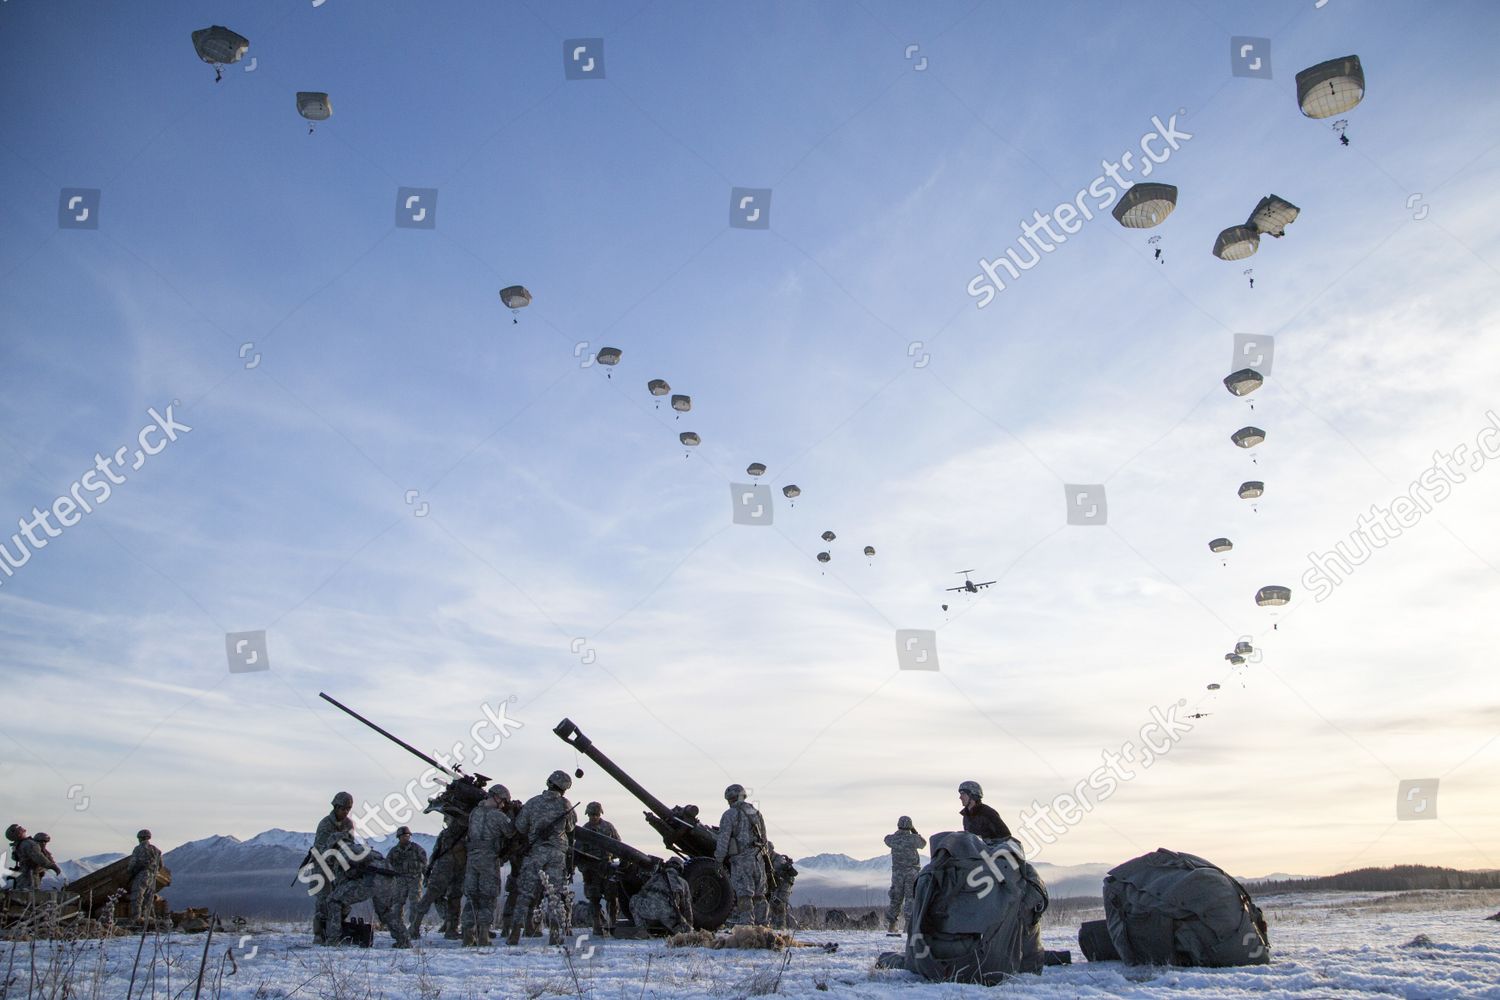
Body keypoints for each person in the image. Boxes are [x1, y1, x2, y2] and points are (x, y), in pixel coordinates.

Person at [506, 770, 576, 946]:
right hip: (556, 854)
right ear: (565, 788)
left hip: (535, 852)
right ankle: (554, 934)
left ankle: (514, 933)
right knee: (555, 894)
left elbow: (521, 827)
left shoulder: (533, 803)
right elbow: (570, 828)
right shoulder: (565, 804)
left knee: (525, 893)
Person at [319, 848, 411, 948]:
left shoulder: (339, 856)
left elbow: (341, 885)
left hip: (370, 879)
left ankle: (333, 941)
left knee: (334, 901)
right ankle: (404, 941)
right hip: (388, 877)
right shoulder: (361, 849)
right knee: (386, 911)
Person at [460, 785, 515, 946]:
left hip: (472, 859)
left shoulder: (474, 813)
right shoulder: (498, 816)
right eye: (503, 801)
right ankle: (483, 936)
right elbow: (510, 832)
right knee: (487, 897)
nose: (504, 805)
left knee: (471, 897)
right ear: (497, 797)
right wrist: (510, 814)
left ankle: (468, 936)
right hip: (489, 860)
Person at [713, 784, 769, 927]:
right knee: (760, 896)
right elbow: (764, 840)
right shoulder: (756, 813)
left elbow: (723, 840)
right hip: (758, 859)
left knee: (744, 896)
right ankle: (763, 927)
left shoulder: (729, 815)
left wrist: (718, 861)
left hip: (741, 860)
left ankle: (748, 929)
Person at [410, 813, 466, 940]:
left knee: (448, 897)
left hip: (452, 867)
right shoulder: (460, 832)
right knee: (437, 896)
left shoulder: (448, 833)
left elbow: (435, 852)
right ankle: (416, 926)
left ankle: (450, 929)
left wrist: (430, 870)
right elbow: (436, 852)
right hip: (450, 867)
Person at [579, 801, 620, 935]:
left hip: (607, 868)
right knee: (593, 899)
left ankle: (613, 924)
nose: (593, 817)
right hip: (591, 870)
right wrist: (584, 867)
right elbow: (578, 850)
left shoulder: (608, 827)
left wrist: (609, 858)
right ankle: (597, 925)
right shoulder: (584, 830)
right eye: (591, 815)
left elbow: (619, 846)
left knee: (612, 899)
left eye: (595, 814)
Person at [883, 816, 926, 934]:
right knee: (911, 897)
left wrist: (898, 833)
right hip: (912, 872)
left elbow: (886, 840)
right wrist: (914, 831)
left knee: (896, 897)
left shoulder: (892, 839)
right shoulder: (913, 839)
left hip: (897, 872)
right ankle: (908, 926)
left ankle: (892, 925)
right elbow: (923, 843)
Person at [629, 858, 694, 935]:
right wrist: (688, 924)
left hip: (649, 912)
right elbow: (686, 907)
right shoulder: (683, 882)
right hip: (669, 916)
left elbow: (642, 893)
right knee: (686, 934)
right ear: (680, 869)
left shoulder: (655, 878)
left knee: (634, 899)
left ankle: (642, 930)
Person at [387, 826, 427, 934]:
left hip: (415, 879)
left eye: (407, 836)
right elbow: (387, 865)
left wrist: (426, 876)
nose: (406, 838)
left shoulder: (417, 848)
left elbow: (424, 863)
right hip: (399, 880)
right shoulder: (394, 851)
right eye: (404, 836)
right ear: (399, 837)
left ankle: (414, 929)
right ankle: (398, 929)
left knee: (415, 904)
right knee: (397, 904)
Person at [5, 824, 58, 892]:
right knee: (30, 895)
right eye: (42, 841)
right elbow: (39, 858)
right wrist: (52, 866)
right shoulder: (28, 844)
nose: (43, 843)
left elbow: (15, 857)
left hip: (25, 875)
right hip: (30, 875)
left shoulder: (19, 845)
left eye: (45, 841)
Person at [126, 830, 163, 924]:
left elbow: (132, 863)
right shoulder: (156, 850)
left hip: (142, 874)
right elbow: (161, 865)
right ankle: (145, 917)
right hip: (152, 876)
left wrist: (130, 871)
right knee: (148, 897)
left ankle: (136, 918)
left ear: (140, 838)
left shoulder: (138, 849)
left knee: (137, 896)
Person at [768, 846, 798, 930]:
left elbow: (790, 872)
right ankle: (776, 925)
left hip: (785, 884)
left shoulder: (779, 859)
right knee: (774, 903)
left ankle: (780, 927)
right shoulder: (770, 859)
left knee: (780, 904)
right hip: (778, 884)